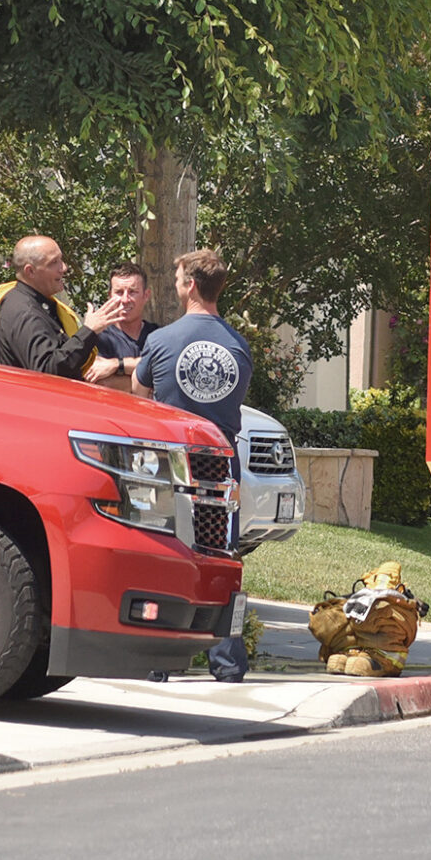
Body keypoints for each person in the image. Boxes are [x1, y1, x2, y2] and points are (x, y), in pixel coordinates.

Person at [135, 247, 253, 681]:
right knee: (223, 557)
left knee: (165, 553)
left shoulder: (161, 341)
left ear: (189, 286)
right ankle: (228, 662)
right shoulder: (238, 345)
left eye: (179, 277)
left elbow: (139, 393)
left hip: (171, 461)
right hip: (221, 463)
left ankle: (158, 659)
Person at [0, 235, 119, 379]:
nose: (64, 268)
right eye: (53, 262)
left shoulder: (37, 304)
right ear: (30, 271)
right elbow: (48, 371)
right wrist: (89, 331)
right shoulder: (25, 313)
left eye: (61, 260)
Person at [84, 260, 159, 387]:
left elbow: (166, 370)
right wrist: (147, 384)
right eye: (119, 292)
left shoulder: (158, 336)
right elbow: (101, 383)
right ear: (110, 296)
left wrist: (116, 365)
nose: (125, 300)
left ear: (146, 295)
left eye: (132, 292)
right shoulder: (99, 339)